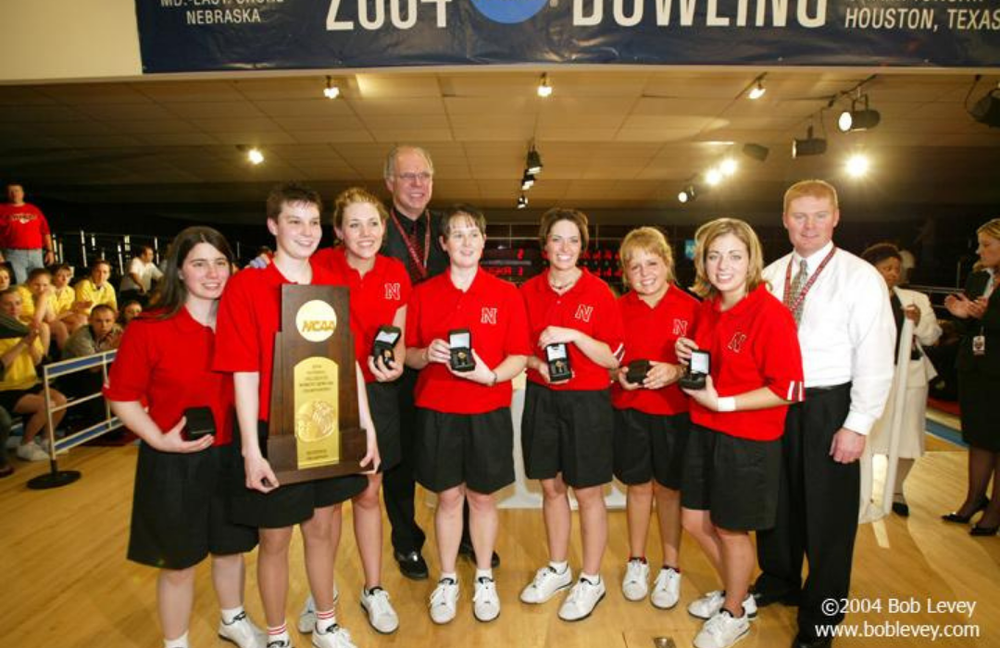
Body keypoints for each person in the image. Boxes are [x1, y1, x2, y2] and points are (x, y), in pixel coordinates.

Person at [213, 182, 379, 648]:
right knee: (276, 540)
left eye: (311, 222)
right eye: (293, 221)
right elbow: (243, 371)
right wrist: (250, 448)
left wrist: (365, 427)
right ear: (273, 226)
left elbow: (350, 363)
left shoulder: (332, 284)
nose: (305, 232)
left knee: (324, 529)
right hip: (273, 432)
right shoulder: (247, 285)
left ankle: (326, 622)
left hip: (327, 426)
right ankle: (278, 634)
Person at [104, 226, 264, 648]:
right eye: (198, 264)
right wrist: (158, 439)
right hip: (173, 460)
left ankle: (233, 619)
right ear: (178, 271)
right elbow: (121, 397)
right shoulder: (150, 328)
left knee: (230, 549)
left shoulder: (241, 324)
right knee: (177, 564)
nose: (212, 273)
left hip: (231, 453)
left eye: (219, 263)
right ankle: (176, 642)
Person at [753, 180, 895, 648]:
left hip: (829, 403)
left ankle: (822, 617)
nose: (809, 225)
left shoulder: (859, 277)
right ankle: (779, 579)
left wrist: (856, 425)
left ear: (836, 218)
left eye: (818, 215)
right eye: (799, 215)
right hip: (776, 401)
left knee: (828, 519)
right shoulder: (771, 275)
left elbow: (876, 357)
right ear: (785, 220)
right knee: (777, 505)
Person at [674, 218, 805, 648]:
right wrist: (687, 356)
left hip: (747, 438)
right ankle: (739, 592)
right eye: (713, 255)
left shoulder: (770, 313)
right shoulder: (709, 307)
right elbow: (713, 371)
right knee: (694, 520)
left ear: (751, 260)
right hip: (704, 429)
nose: (722, 265)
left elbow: (787, 389)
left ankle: (734, 611)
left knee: (731, 529)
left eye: (733, 255)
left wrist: (724, 403)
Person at [404, 204, 530, 624]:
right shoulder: (423, 293)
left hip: (487, 410)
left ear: (483, 241)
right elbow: (408, 355)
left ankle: (482, 577)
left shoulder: (505, 294)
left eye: (473, 233)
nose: (466, 241)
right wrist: (426, 353)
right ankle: (445, 579)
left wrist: (491, 375)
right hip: (438, 410)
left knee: (481, 496)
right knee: (448, 497)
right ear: (443, 244)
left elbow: (520, 356)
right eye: (456, 234)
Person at [297, 187, 410, 635]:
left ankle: (374, 588)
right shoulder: (317, 266)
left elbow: (396, 333)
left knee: (368, 494)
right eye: (355, 224)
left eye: (374, 223)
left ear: (384, 228)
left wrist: (396, 361)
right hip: (325, 394)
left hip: (378, 396)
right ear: (339, 231)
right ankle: (322, 592)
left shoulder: (396, 271)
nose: (366, 233)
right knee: (325, 508)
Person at [519, 207, 624, 622]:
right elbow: (517, 350)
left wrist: (575, 335)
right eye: (557, 239)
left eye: (573, 241)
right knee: (551, 487)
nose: (565, 248)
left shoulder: (600, 293)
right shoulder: (526, 292)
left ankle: (592, 579)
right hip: (544, 399)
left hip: (588, 402)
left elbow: (612, 358)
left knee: (588, 493)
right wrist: (536, 364)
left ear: (583, 247)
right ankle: (559, 568)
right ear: (545, 246)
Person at [611, 227, 699, 609]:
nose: (644, 273)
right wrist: (617, 375)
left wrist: (677, 372)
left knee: (669, 490)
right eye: (635, 267)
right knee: (638, 488)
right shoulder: (615, 309)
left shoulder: (693, 308)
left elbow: (706, 366)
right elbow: (606, 361)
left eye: (652, 263)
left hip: (674, 413)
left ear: (667, 262)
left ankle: (671, 566)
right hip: (630, 412)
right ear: (625, 273)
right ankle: (636, 560)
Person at [861, 243, 942, 517]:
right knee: (867, 435)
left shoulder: (915, 299)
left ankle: (896, 490)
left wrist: (918, 321)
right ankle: (862, 490)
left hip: (910, 376)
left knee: (908, 437)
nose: (893, 274)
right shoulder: (858, 297)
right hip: (871, 377)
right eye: (886, 268)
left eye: (897, 269)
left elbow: (932, 336)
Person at [942, 218, 1000, 535]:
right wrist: (962, 317)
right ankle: (973, 500)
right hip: (974, 367)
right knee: (977, 437)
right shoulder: (979, 278)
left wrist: (985, 316)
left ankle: (994, 512)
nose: (980, 250)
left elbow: (990, 320)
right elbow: (969, 328)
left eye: (987, 244)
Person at [0, 288, 67, 462]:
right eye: (7, 304)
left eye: (17, 303)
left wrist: (30, 344)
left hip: (29, 382)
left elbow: (39, 362)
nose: (14, 308)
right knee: (46, 404)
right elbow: (2, 364)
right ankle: (25, 444)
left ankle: (45, 439)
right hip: (7, 388)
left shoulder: (26, 327)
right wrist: (22, 344)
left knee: (60, 401)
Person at [0, 183, 55, 284]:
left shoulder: (34, 209)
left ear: (22, 193)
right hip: (14, 254)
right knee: (19, 284)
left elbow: (45, 232)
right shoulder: (2, 209)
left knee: (40, 283)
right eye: (10, 191)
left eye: (17, 190)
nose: (14, 194)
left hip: (36, 253)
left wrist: (50, 251)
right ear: (6, 194)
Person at [17, 267, 70, 349]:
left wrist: (71, 311)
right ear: (28, 282)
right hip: (21, 323)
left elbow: (50, 318)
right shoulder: (22, 291)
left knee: (60, 326)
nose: (41, 289)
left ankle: (68, 356)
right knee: (44, 327)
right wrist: (44, 297)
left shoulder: (47, 292)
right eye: (36, 285)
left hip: (37, 322)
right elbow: (36, 320)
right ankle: (43, 359)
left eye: (45, 285)